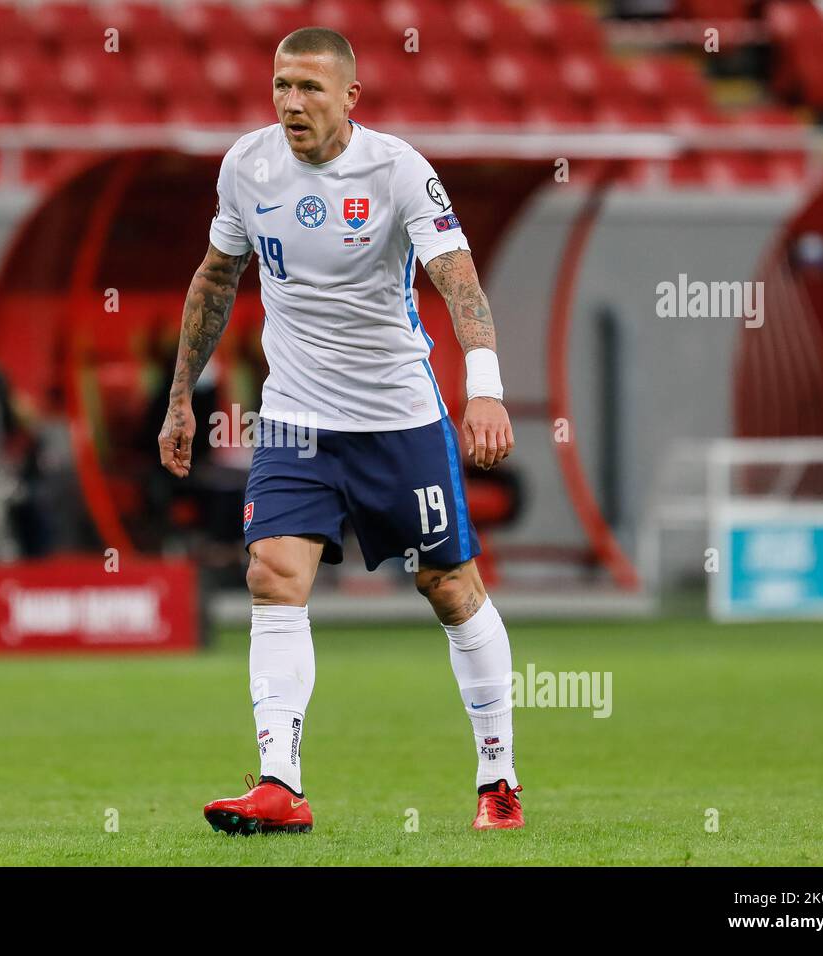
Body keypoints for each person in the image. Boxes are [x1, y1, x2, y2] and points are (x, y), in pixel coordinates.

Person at [157, 28, 521, 834]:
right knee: (271, 577)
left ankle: (498, 778)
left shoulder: (398, 171)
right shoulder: (246, 167)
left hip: (398, 419)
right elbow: (216, 277)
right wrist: (183, 396)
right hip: (294, 420)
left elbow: (457, 281)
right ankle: (280, 783)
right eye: (282, 85)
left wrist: (487, 391)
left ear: (350, 97)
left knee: (450, 589)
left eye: (310, 88)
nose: (291, 102)